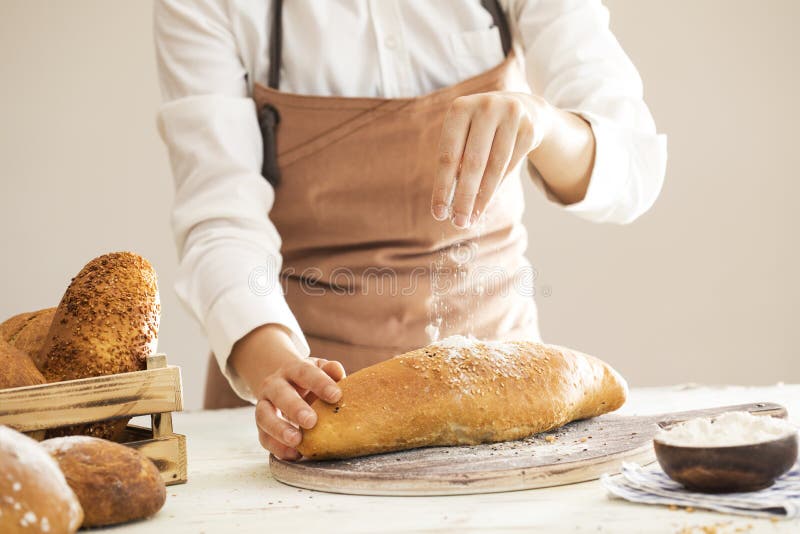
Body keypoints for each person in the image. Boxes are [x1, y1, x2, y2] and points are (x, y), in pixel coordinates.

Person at [154, 0, 666, 460]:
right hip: (303, 402)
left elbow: (633, 171)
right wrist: (276, 367)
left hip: (501, 386)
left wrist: (546, 125)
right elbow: (220, 221)